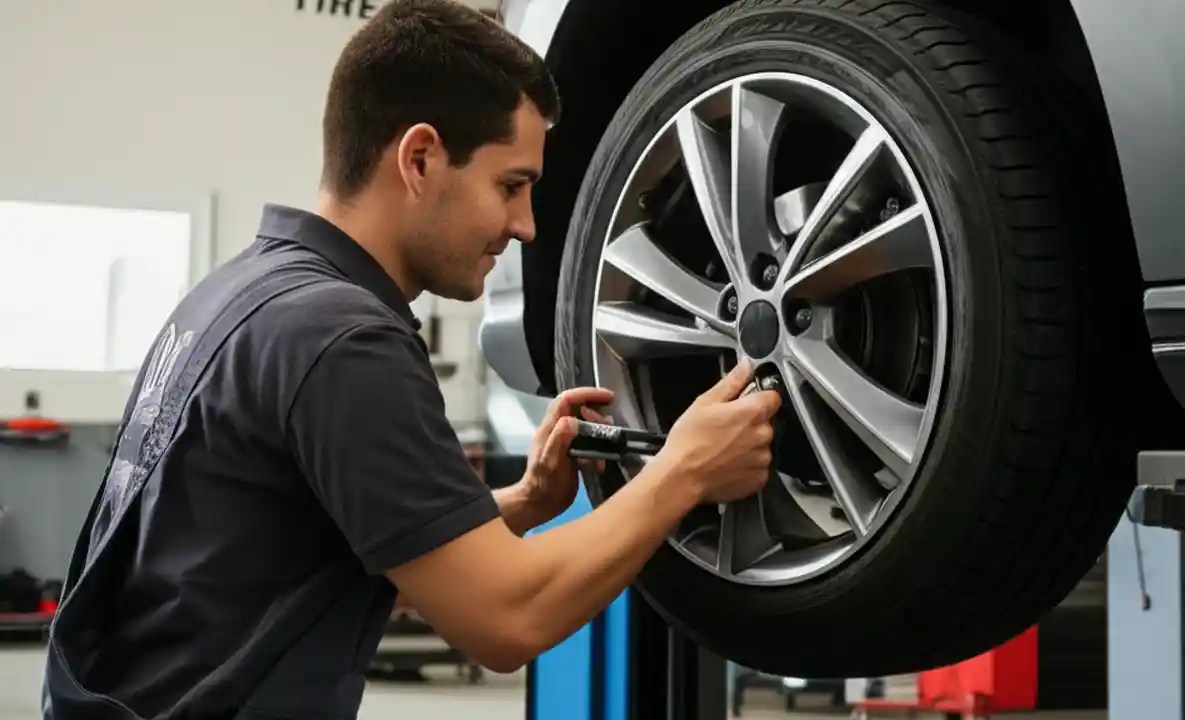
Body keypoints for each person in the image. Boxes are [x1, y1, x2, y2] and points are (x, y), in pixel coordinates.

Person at [41, 1, 782, 718]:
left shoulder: (241, 294)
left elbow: (302, 559)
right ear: (420, 158)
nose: (525, 226)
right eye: (511, 185)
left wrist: (520, 506)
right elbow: (506, 622)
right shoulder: (344, 341)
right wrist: (685, 471)